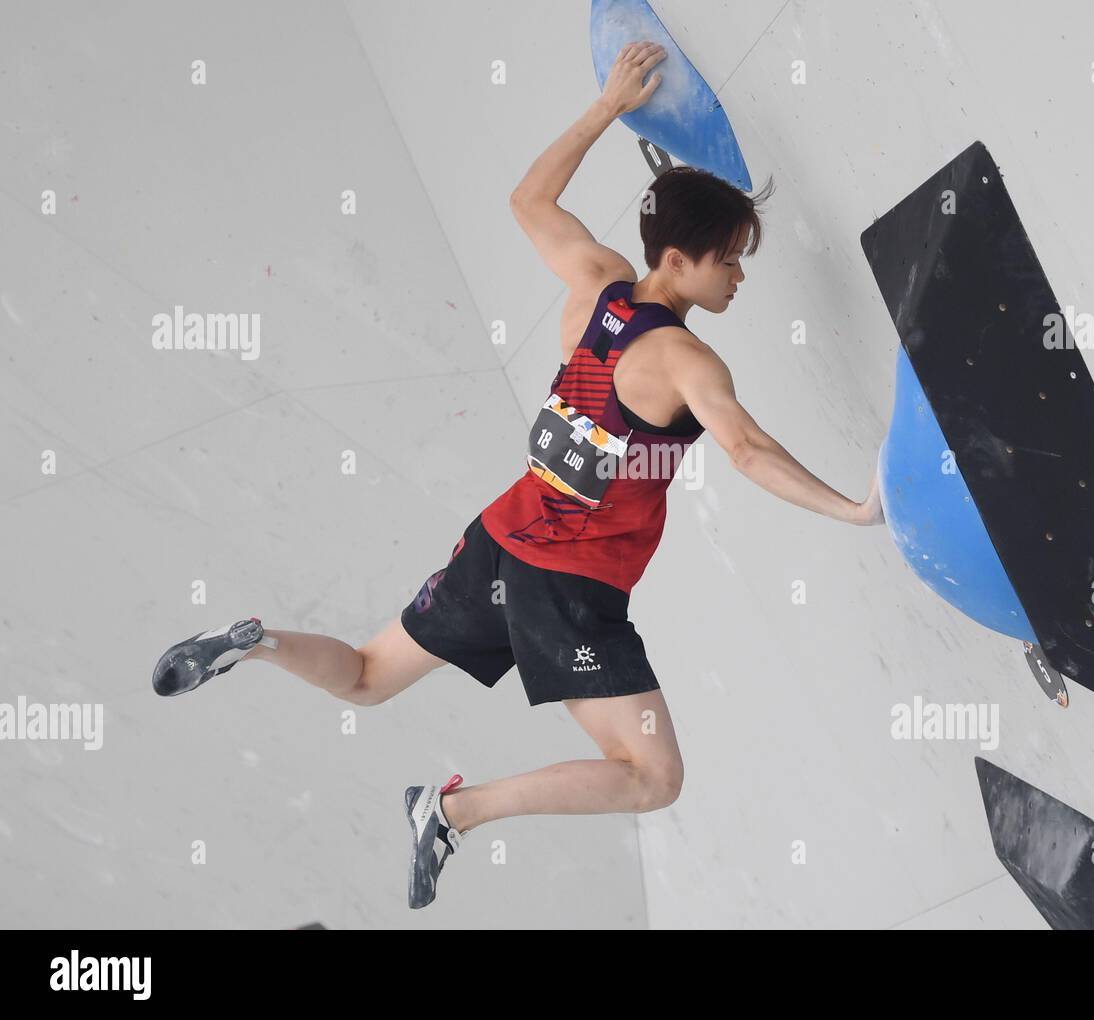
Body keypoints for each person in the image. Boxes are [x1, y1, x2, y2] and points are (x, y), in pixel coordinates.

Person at [151, 40, 884, 910]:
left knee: (364, 676)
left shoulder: (598, 284)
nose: (740, 276)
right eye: (731, 258)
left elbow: (528, 199)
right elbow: (749, 451)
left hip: (498, 541)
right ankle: (455, 811)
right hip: (567, 588)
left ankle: (256, 641)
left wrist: (609, 105)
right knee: (652, 775)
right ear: (681, 259)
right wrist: (851, 510)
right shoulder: (687, 361)